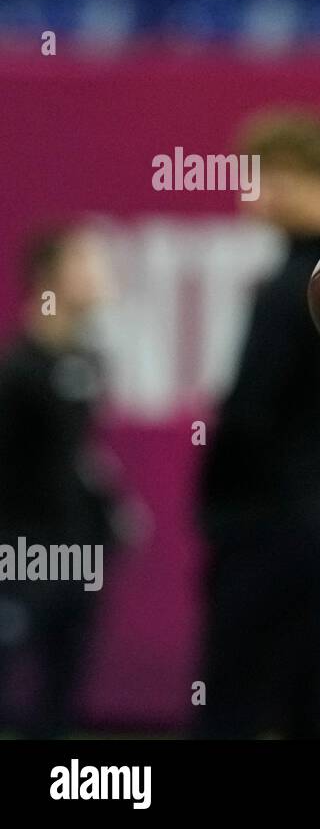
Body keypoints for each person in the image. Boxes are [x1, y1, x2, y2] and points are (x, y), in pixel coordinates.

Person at [195, 110, 320, 739]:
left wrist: (223, 514)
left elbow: (248, 417)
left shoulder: (294, 286)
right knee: (317, 712)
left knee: (231, 710)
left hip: (272, 532)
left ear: (301, 179)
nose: (248, 194)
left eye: (261, 177)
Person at [0, 226, 123, 737]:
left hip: (78, 548)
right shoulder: (17, 371)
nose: (100, 277)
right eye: (84, 265)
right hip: (22, 551)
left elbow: (79, 454)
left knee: (63, 683)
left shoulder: (89, 362)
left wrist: (108, 512)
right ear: (50, 280)